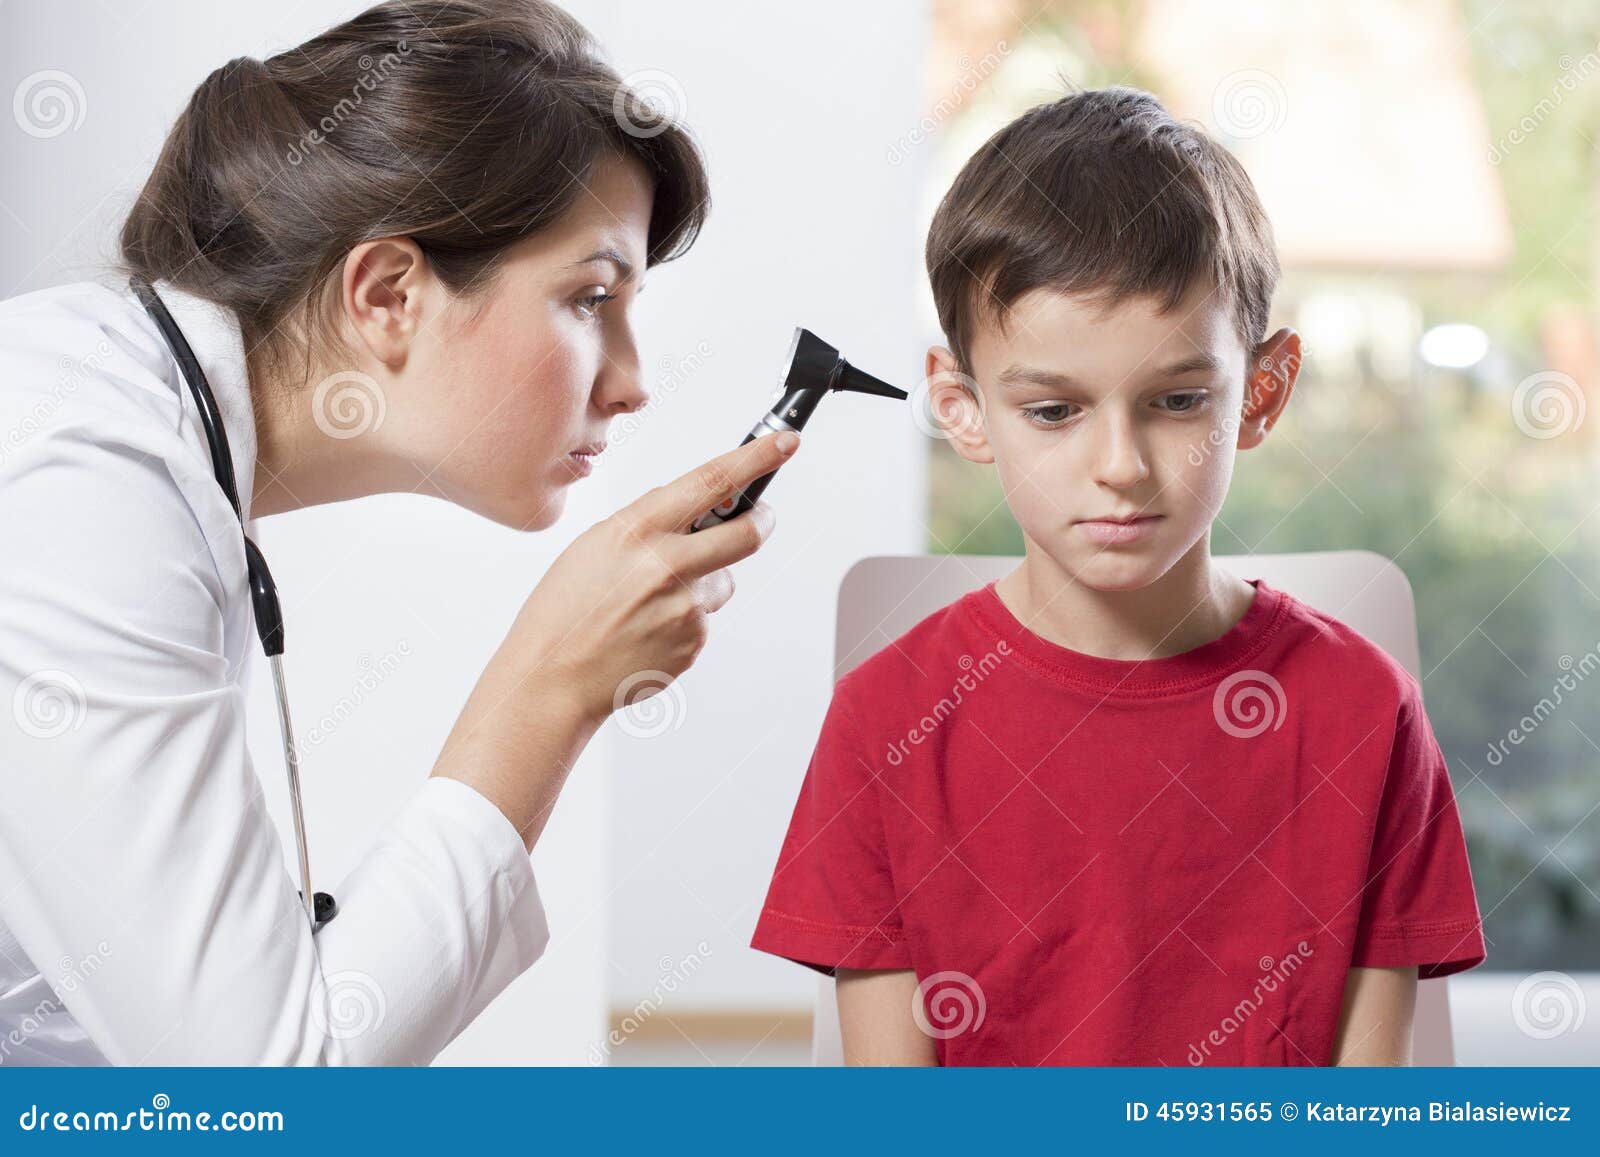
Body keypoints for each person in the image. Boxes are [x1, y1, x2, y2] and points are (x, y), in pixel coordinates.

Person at [0, 0, 798, 1065]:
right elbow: (266, 1095)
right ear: (386, 293)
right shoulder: (80, 472)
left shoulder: (135, 446)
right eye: (588, 297)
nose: (631, 383)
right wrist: (548, 687)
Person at [750, 87, 1484, 1066]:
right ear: (962, 409)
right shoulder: (887, 720)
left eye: (1177, 400)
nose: (1122, 465)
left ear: (1260, 393)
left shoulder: (1363, 712)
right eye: (1053, 411)